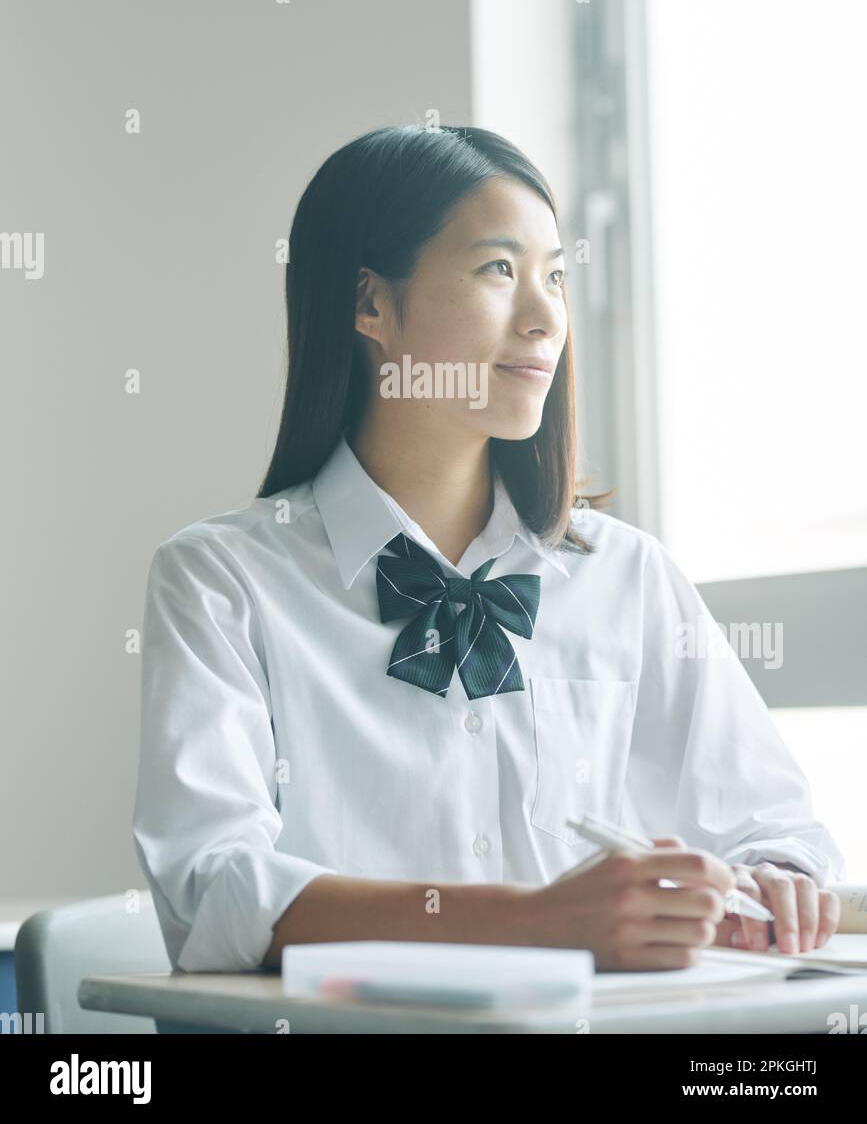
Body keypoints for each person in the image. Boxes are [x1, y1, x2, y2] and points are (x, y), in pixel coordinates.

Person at [132, 123, 846, 976]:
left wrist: (781, 882)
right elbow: (213, 890)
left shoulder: (629, 576)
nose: (545, 318)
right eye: (498, 270)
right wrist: (539, 920)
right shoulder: (222, 583)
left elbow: (775, 830)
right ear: (370, 304)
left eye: (556, 277)